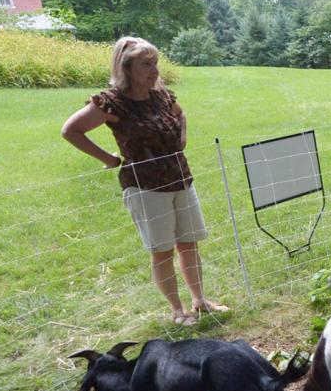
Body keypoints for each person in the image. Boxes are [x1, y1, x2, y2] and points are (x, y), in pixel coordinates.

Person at [62, 36, 228, 326]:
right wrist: (109, 159)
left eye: (156, 64)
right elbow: (71, 131)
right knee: (162, 249)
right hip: (146, 186)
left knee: (189, 244)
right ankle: (178, 310)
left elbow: (181, 114)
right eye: (146, 65)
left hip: (181, 178)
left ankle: (200, 301)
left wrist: (183, 136)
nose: (154, 71)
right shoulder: (112, 102)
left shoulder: (161, 95)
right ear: (126, 68)